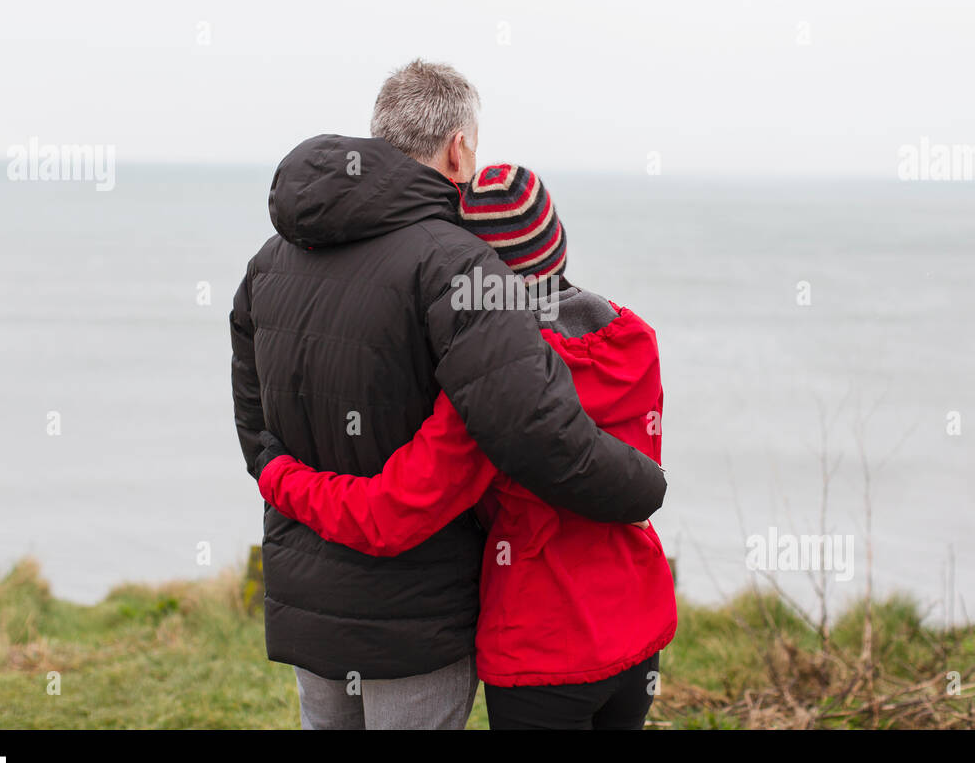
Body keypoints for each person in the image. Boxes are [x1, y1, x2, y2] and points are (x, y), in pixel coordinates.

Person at [230, 61, 666, 729]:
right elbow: (529, 427)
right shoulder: (452, 262)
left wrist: (273, 471)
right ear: (458, 147)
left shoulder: (271, 257)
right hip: (415, 612)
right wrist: (641, 489)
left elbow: (252, 406)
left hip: (307, 594)